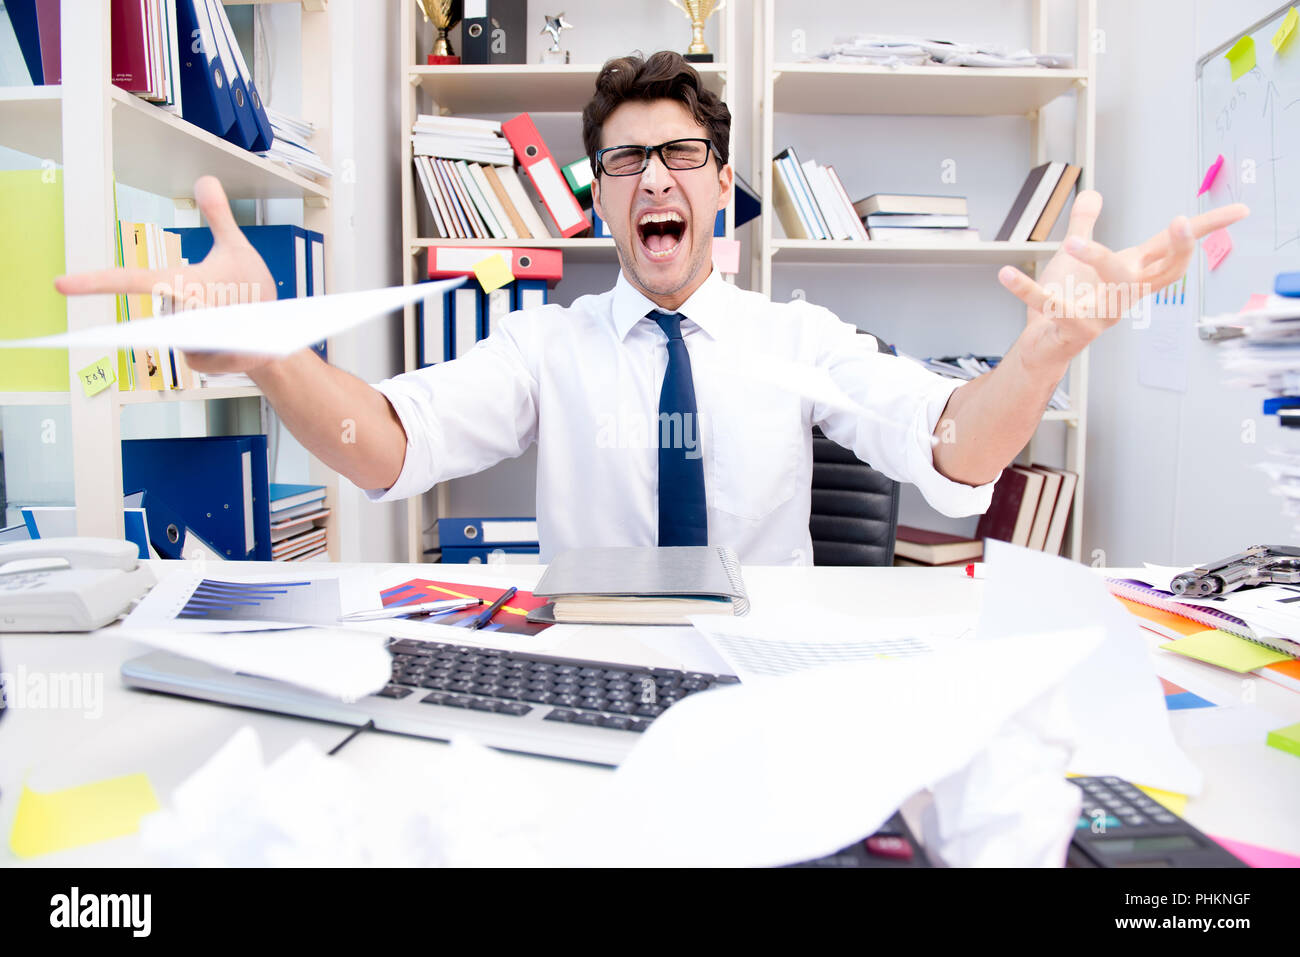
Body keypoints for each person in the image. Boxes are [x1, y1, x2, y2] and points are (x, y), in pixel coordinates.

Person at [56, 51, 1247, 564]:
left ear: (721, 191)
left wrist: (1036, 360)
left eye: (681, 156)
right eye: (625, 163)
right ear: (602, 203)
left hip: (766, 678)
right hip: (591, 671)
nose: (656, 180)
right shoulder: (544, 345)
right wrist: (272, 354)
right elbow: (385, 447)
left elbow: (950, 452)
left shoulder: (799, 339)